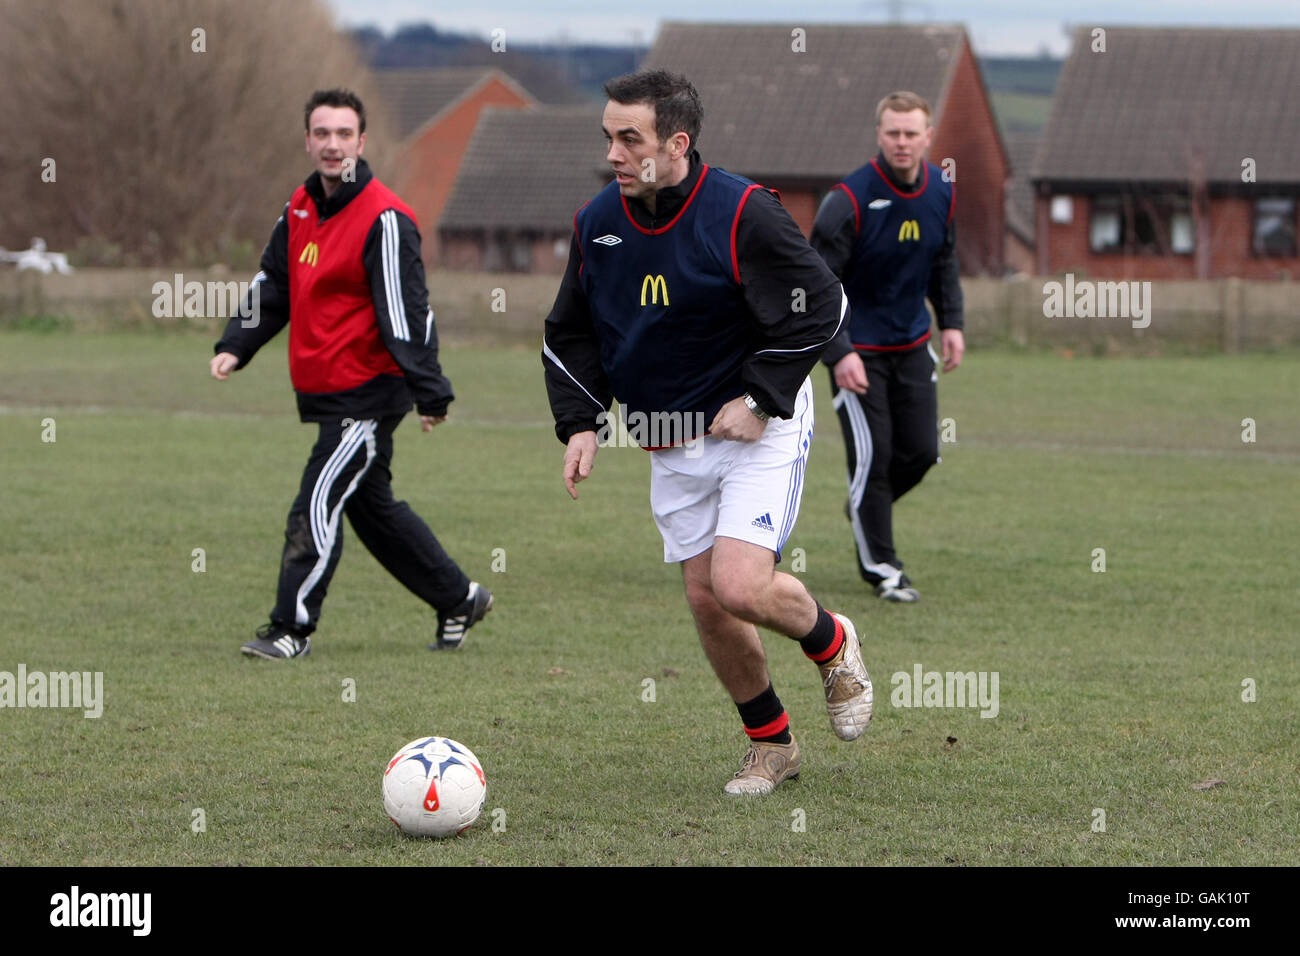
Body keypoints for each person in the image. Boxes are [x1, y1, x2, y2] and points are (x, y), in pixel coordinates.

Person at [542, 70, 873, 795]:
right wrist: (581, 423)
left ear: (678, 142)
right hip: (670, 438)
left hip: (760, 428)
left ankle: (832, 640)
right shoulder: (598, 222)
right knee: (706, 599)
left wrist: (758, 397)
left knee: (738, 583)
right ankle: (772, 745)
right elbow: (571, 331)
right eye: (609, 138)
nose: (616, 154)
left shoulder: (742, 212)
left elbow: (822, 304)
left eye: (631, 138)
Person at [209, 88, 491, 659]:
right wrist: (237, 344)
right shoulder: (300, 207)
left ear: (362, 142)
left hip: (366, 396)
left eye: (343, 134)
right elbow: (275, 283)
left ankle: (291, 629)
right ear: (308, 140)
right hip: (325, 390)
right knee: (371, 508)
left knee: (316, 501)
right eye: (321, 133)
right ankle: (459, 597)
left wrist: (429, 392)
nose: (332, 144)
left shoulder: (386, 219)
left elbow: (406, 315)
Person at [811, 90, 965, 604]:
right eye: (893, 132)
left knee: (922, 452)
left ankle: (864, 507)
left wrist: (952, 323)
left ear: (927, 137)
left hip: (913, 344)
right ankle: (884, 569)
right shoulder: (848, 200)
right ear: (879, 135)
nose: (902, 142)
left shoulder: (942, 190)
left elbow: (943, 262)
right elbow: (818, 286)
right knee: (872, 459)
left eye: (911, 133)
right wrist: (840, 352)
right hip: (859, 353)